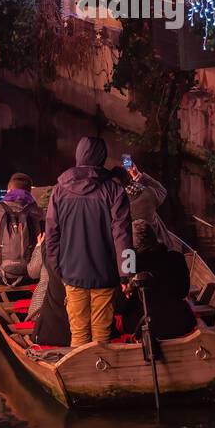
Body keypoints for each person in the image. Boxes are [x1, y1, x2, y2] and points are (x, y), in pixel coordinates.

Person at [44, 136, 131, 346]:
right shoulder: (115, 190)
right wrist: (127, 273)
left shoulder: (59, 190)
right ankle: (101, 373)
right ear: (102, 158)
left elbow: (52, 235)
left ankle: (78, 373)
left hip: (72, 273)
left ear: (78, 155)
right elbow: (123, 236)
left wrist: (59, 270)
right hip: (105, 274)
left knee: (78, 335)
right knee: (102, 338)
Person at [120, 221, 198, 342]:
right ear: (155, 238)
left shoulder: (127, 266)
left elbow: (121, 305)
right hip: (179, 323)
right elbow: (183, 292)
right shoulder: (176, 258)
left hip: (139, 326)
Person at [0, 172, 43, 285]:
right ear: (29, 192)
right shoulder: (38, 212)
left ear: (8, 191)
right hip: (30, 277)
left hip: (1, 277)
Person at [25, 231, 71, 347]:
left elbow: (32, 272)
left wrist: (39, 246)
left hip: (43, 309)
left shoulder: (49, 244)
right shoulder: (75, 245)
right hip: (73, 309)